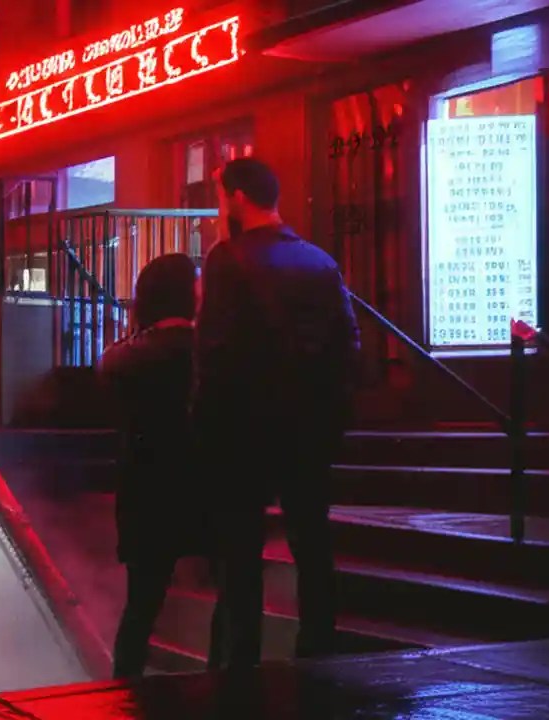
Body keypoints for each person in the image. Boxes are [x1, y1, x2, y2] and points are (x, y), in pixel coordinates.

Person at [194, 158, 360, 668]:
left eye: (222, 196)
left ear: (238, 198)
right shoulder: (319, 262)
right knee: (311, 540)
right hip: (306, 428)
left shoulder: (228, 260)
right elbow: (347, 346)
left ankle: (239, 663)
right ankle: (318, 650)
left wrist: (204, 429)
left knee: (240, 551)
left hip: (244, 431)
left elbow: (216, 352)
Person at [97, 253, 207, 679]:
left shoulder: (126, 358)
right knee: (231, 597)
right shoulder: (207, 352)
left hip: (144, 492)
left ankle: (122, 693)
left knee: (140, 607)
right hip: (200, 486)